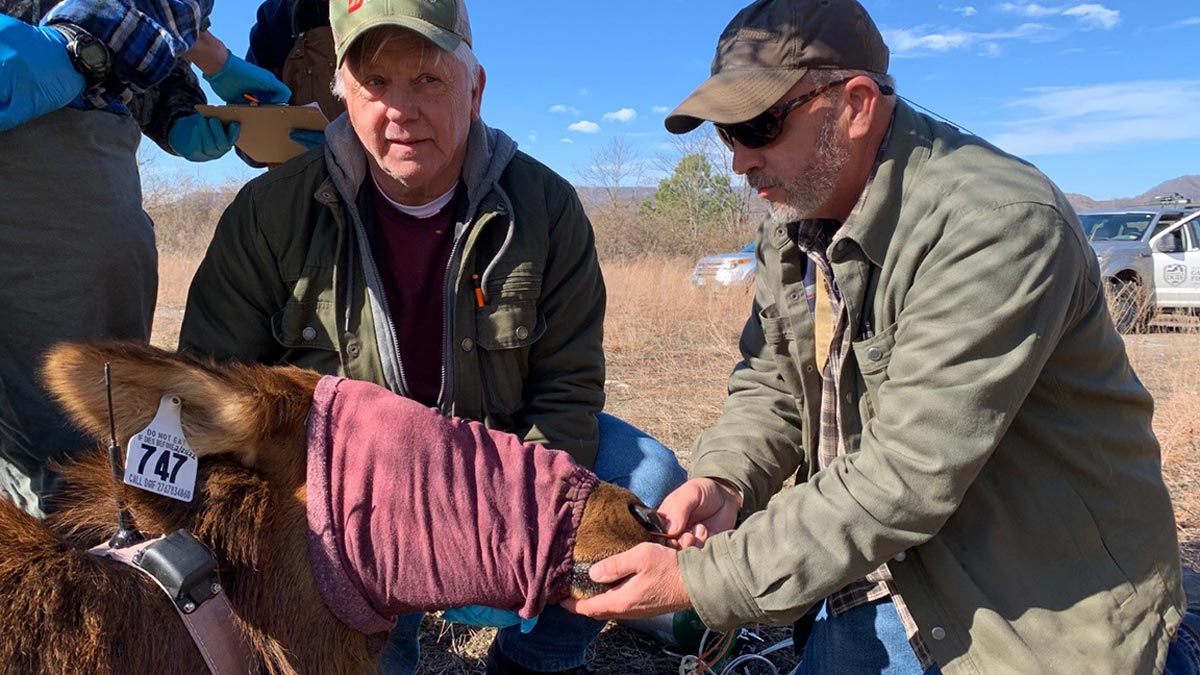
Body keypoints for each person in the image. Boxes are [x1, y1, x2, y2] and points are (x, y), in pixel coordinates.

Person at [565, 1, 1192, 674]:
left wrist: (701, 581)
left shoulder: (994, 226)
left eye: (759, 124)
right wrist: (726, 480)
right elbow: (775, 381)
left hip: (1026, 613)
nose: (740, 161)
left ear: (857, 104)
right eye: (726, 134)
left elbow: (906, 473)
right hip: (869, 569)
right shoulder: (796, 219)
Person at [176, 0, 686, 673]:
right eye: (375, 83)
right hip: (344, 501)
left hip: (494, 460)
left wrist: (517, 526)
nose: (400, 109)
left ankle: (531, 661)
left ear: (474, 90)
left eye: (428, 81)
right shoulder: (270, 216)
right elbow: (207, 396)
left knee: (648, 476)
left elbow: (566, 388)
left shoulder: (546, 208)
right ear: (344, 96)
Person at [0, 0, 290, 518]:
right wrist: (85, 44)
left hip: (70, 165)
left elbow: (130, 66)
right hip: (47, 156)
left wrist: (179, 105)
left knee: (73, 449)